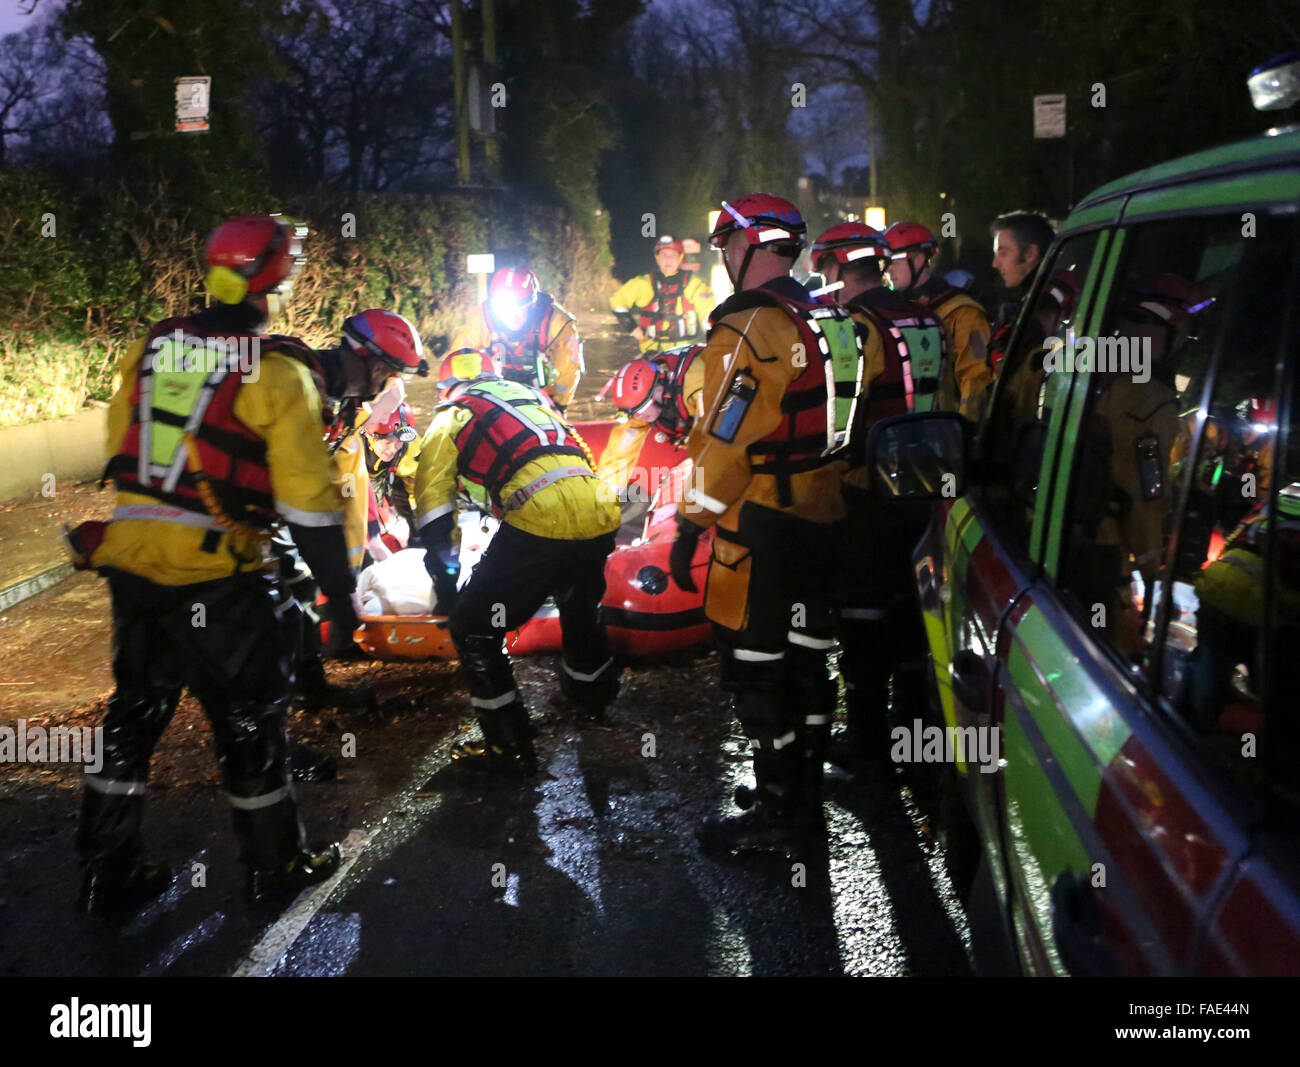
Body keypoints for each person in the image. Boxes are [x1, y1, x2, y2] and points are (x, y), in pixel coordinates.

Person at [78, 214, 350, 915]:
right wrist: (340, 597)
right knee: (250, 722)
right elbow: (311, 507)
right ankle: (276, 865)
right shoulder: (277, 370)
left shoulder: (156, 345)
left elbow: (121, 445)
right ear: (275, 281)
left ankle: (108, 871)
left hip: (132, 558)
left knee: (132, 716)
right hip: (218, 573)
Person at [670, 194, 864, 853]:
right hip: (826, 517)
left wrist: (690, 522)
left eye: (726, 245)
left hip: (763, 528)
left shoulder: (747, 328)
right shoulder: (829, 315)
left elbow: (723, 444)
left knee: (757, 668)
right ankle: (798, 794)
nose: (722, 257)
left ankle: (782, 819)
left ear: (749, 246)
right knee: (809, 663)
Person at [414, 350, 622, 774]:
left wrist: (446, 581)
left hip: (540, 519)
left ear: (446, 388)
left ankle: (507, 744)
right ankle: (591, 700)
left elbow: (434, 508)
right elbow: (576, 454)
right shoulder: (531, 400)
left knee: (473, 627)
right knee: (577, 603)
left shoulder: (450, 415)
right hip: (599, 510)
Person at [811, 222, 950, 769]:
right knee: (916, 611)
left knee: (863, 618)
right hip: (927, 486)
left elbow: (840, 415)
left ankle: (866, 745)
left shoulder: (855, 328)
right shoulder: (928, 316)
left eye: (826, 271)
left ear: (840, 268)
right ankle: (912, 732)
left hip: (868, 491)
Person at [269, 308, 428, 711]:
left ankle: (312, 690)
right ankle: (264, 736)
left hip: (271, 505)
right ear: (369, 361)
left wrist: (374, 539)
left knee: (300, 590)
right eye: (390, 373)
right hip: (231, 506)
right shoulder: (298, 388)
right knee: (268, 604)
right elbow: (310, 504)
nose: (392, 385)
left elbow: (346, 485)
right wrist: (342, 594)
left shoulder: (342, 402)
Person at [882, 220, 993, 421]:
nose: (888, 270)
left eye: (894, 261)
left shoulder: (963, 312)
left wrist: (965, 431)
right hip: (905, 429)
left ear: (918, 259)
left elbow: (976, 378)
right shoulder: (896, 309)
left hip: (944, 432)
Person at [448, 266, 583, 413]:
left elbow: (569, 370)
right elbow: (458, 357)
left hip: (542, 397)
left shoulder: (558, 324)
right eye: (505, 310)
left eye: (519, 309)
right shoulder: (481, 318)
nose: (511, 317)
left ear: (532, 304)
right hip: (495, 392)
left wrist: (558, 405)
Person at [595, 343, 704, 524]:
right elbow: (618, 457)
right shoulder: (642, 394)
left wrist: (684, 505)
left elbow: (717, 448)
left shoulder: (697, 389)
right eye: (635, 413)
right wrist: (600, 506)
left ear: (660, 390)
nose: (642, 418)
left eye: (643, 410)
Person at [610, 235, 715, 354]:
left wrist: (714, 339)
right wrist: (634, 330)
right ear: (657, 258)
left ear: (680, 258)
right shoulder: (644, 283)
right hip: (652, 353)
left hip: (686, 353)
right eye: (663, 255)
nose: (668, 260)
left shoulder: (695, 284)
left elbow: (708, 312)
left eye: (673, 255)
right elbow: (617, 302)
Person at [987, 211, 1056, 374]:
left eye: (1003, 253)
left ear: (1031, 253)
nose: (995, 263)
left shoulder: (1046, 305)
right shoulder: (1035, 296)